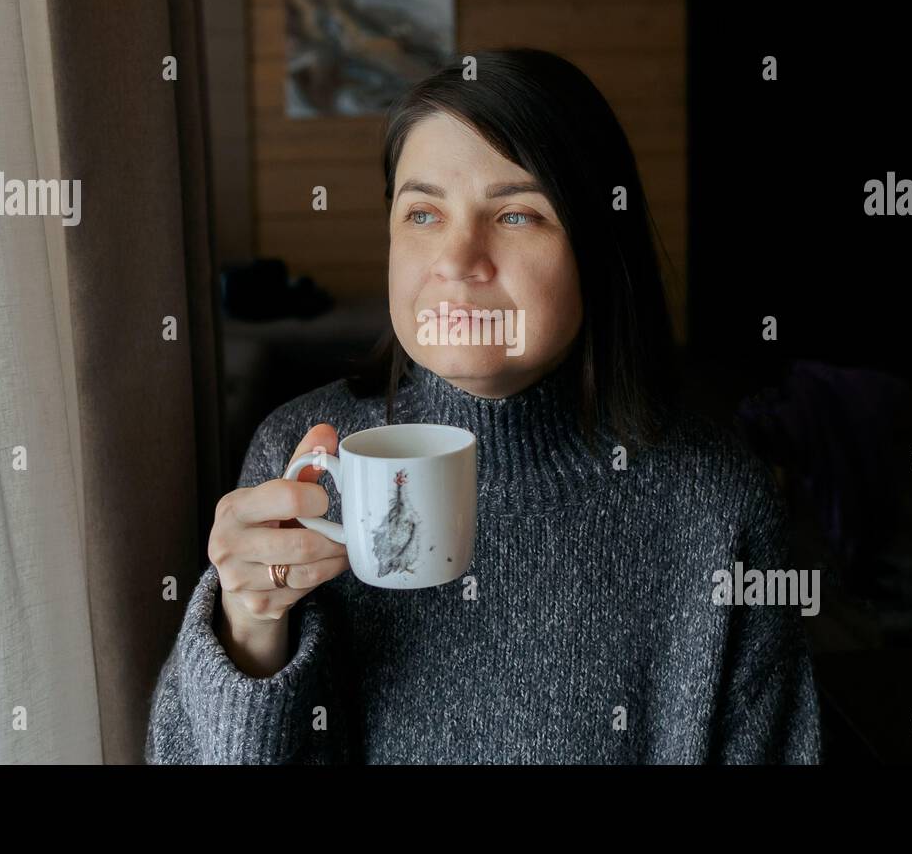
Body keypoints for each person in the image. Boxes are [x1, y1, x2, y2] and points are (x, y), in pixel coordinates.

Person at [145, 48, 823, 764]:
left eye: (518, 215)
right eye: (423, 213)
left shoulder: (715, 503)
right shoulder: (304, 456)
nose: (458, 259)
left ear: (600, 248)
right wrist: (249, 628)